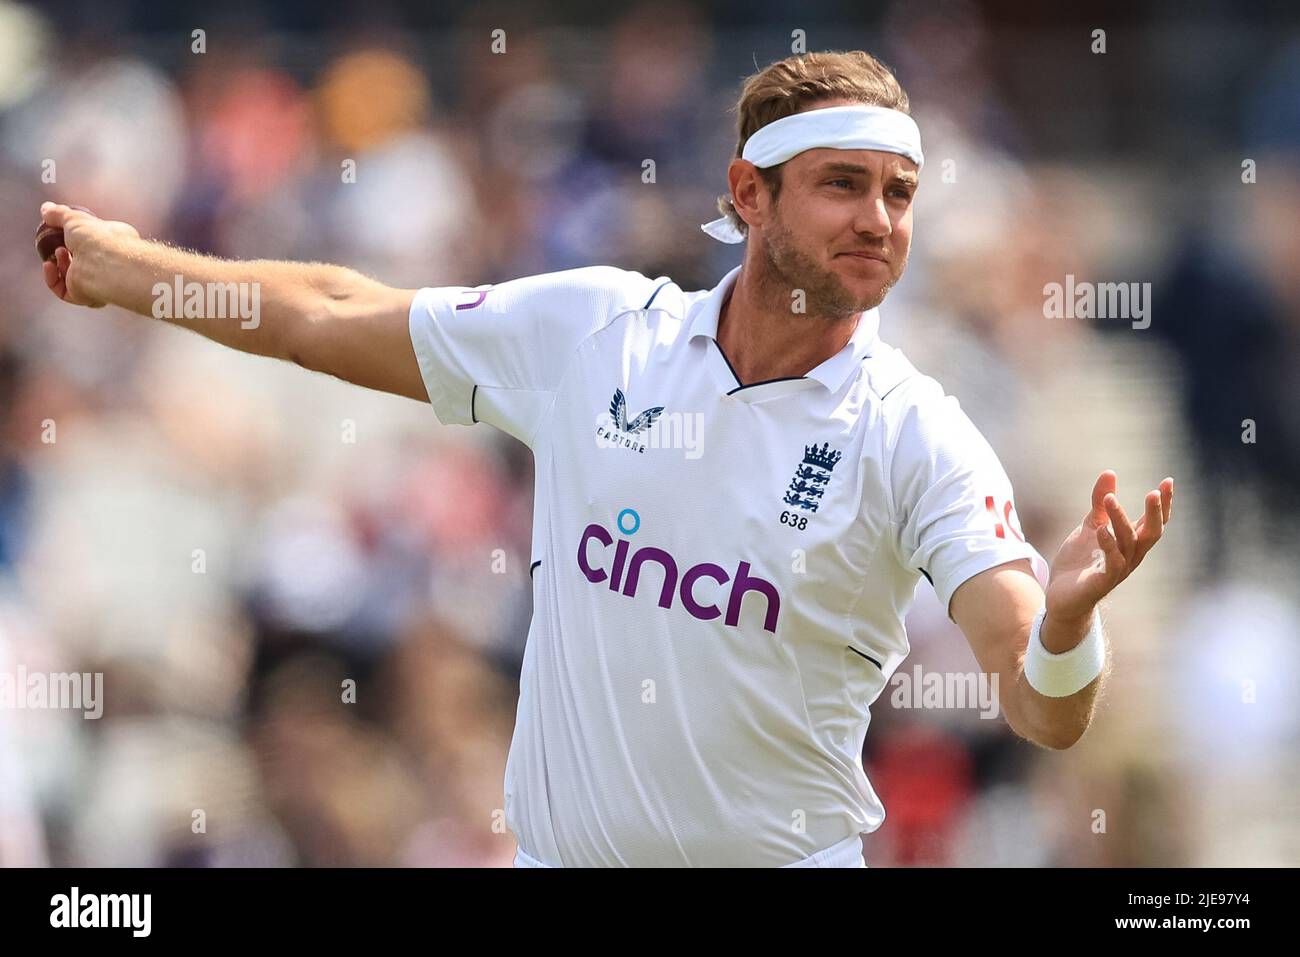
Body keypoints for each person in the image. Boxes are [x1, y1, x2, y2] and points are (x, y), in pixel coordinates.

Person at [38, 50, 1173, 868]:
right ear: (748, 194)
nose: (879, 219)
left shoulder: (916, 431)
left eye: (899, 193)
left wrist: (1069, 627)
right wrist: (129, 268)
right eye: (842, 185)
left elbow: (1041, 706)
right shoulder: (594, 330)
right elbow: (335, 309)